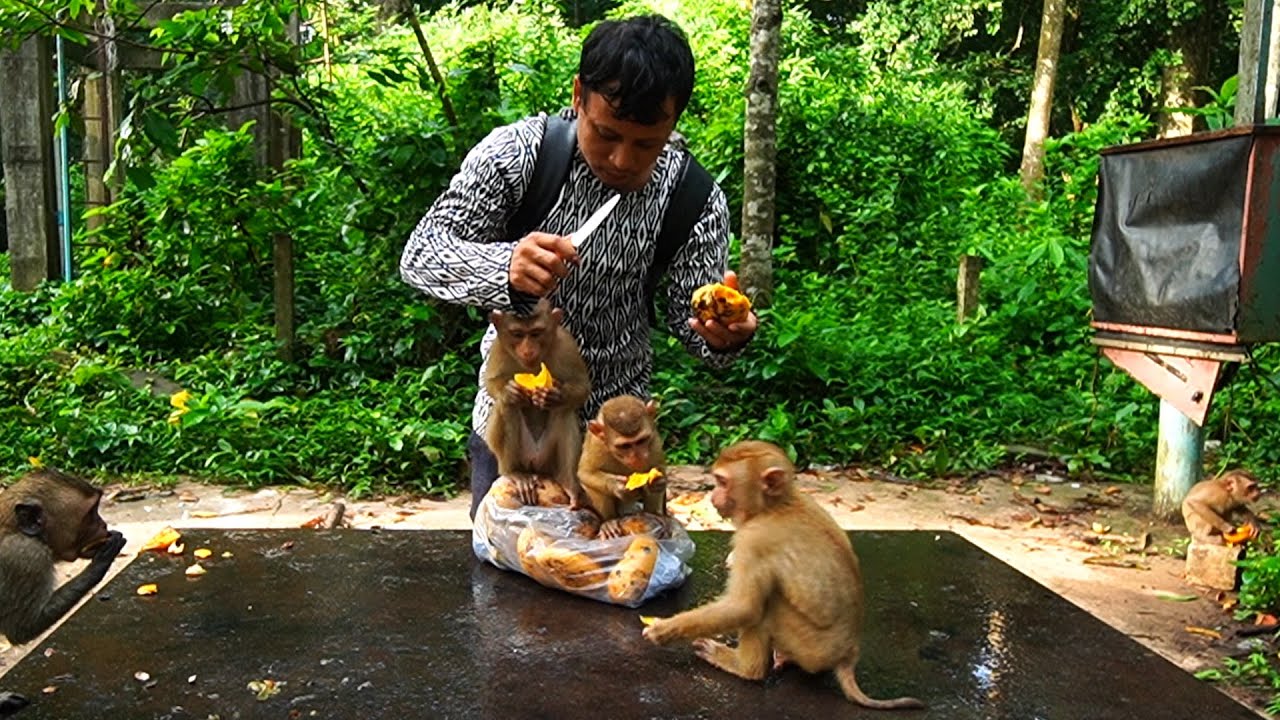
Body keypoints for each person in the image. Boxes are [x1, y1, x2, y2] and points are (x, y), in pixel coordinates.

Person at [399, 14, 758, 519]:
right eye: (605, 133)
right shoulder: (520, 156)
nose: (622, 159)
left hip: (620, 443)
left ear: (674, 122)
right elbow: (422, 255)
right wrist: (505, 265)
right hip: (518, 433)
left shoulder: (692, 197)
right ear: (577, 96)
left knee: (628, 584)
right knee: (505, 590)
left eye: (646, 144)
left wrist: (726, 335)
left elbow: (694, 326)